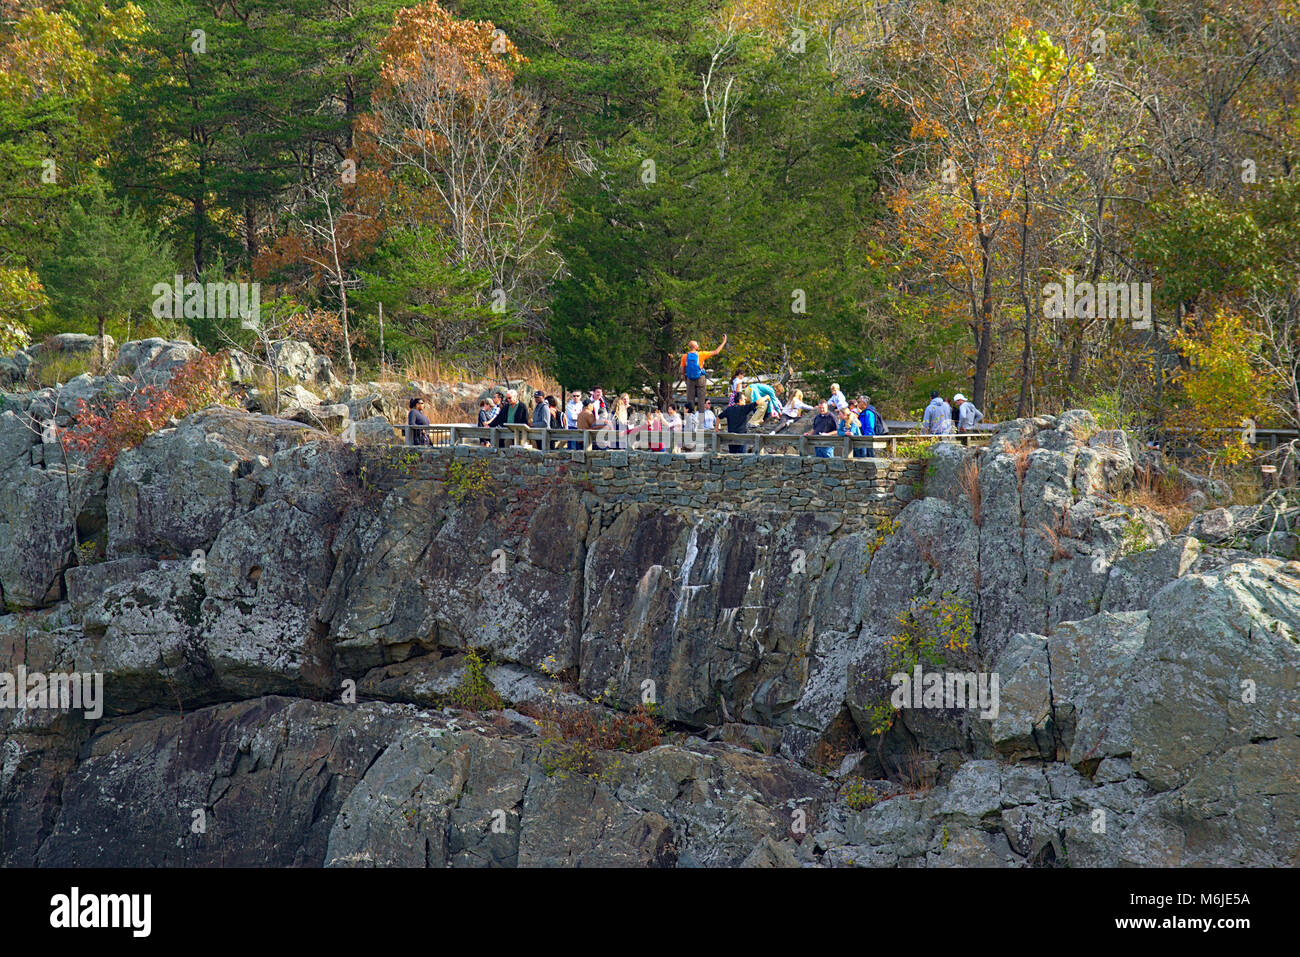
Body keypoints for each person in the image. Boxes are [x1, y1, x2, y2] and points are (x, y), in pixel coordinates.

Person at [680, 335, 727, 414]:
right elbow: (716, 352)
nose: (698, 345)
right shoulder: (701, 354)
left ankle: (690, 421)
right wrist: (724, 342)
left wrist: (685, 379)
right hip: (700, 378)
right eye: (697, 344)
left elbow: (682, 370)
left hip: (690, 379)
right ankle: (701, 422)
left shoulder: (684, 356)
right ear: (695, 347)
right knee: (701, 401)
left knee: (690, 401)